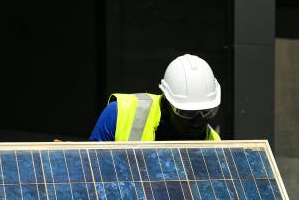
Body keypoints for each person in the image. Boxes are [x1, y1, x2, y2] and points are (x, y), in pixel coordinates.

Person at [89, 53, 221, 142]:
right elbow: (90, 172)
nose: (198, 121)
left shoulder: (215, 143)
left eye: (207, 112)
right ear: (166, 104)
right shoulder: (119, 114)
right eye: (188, 113)